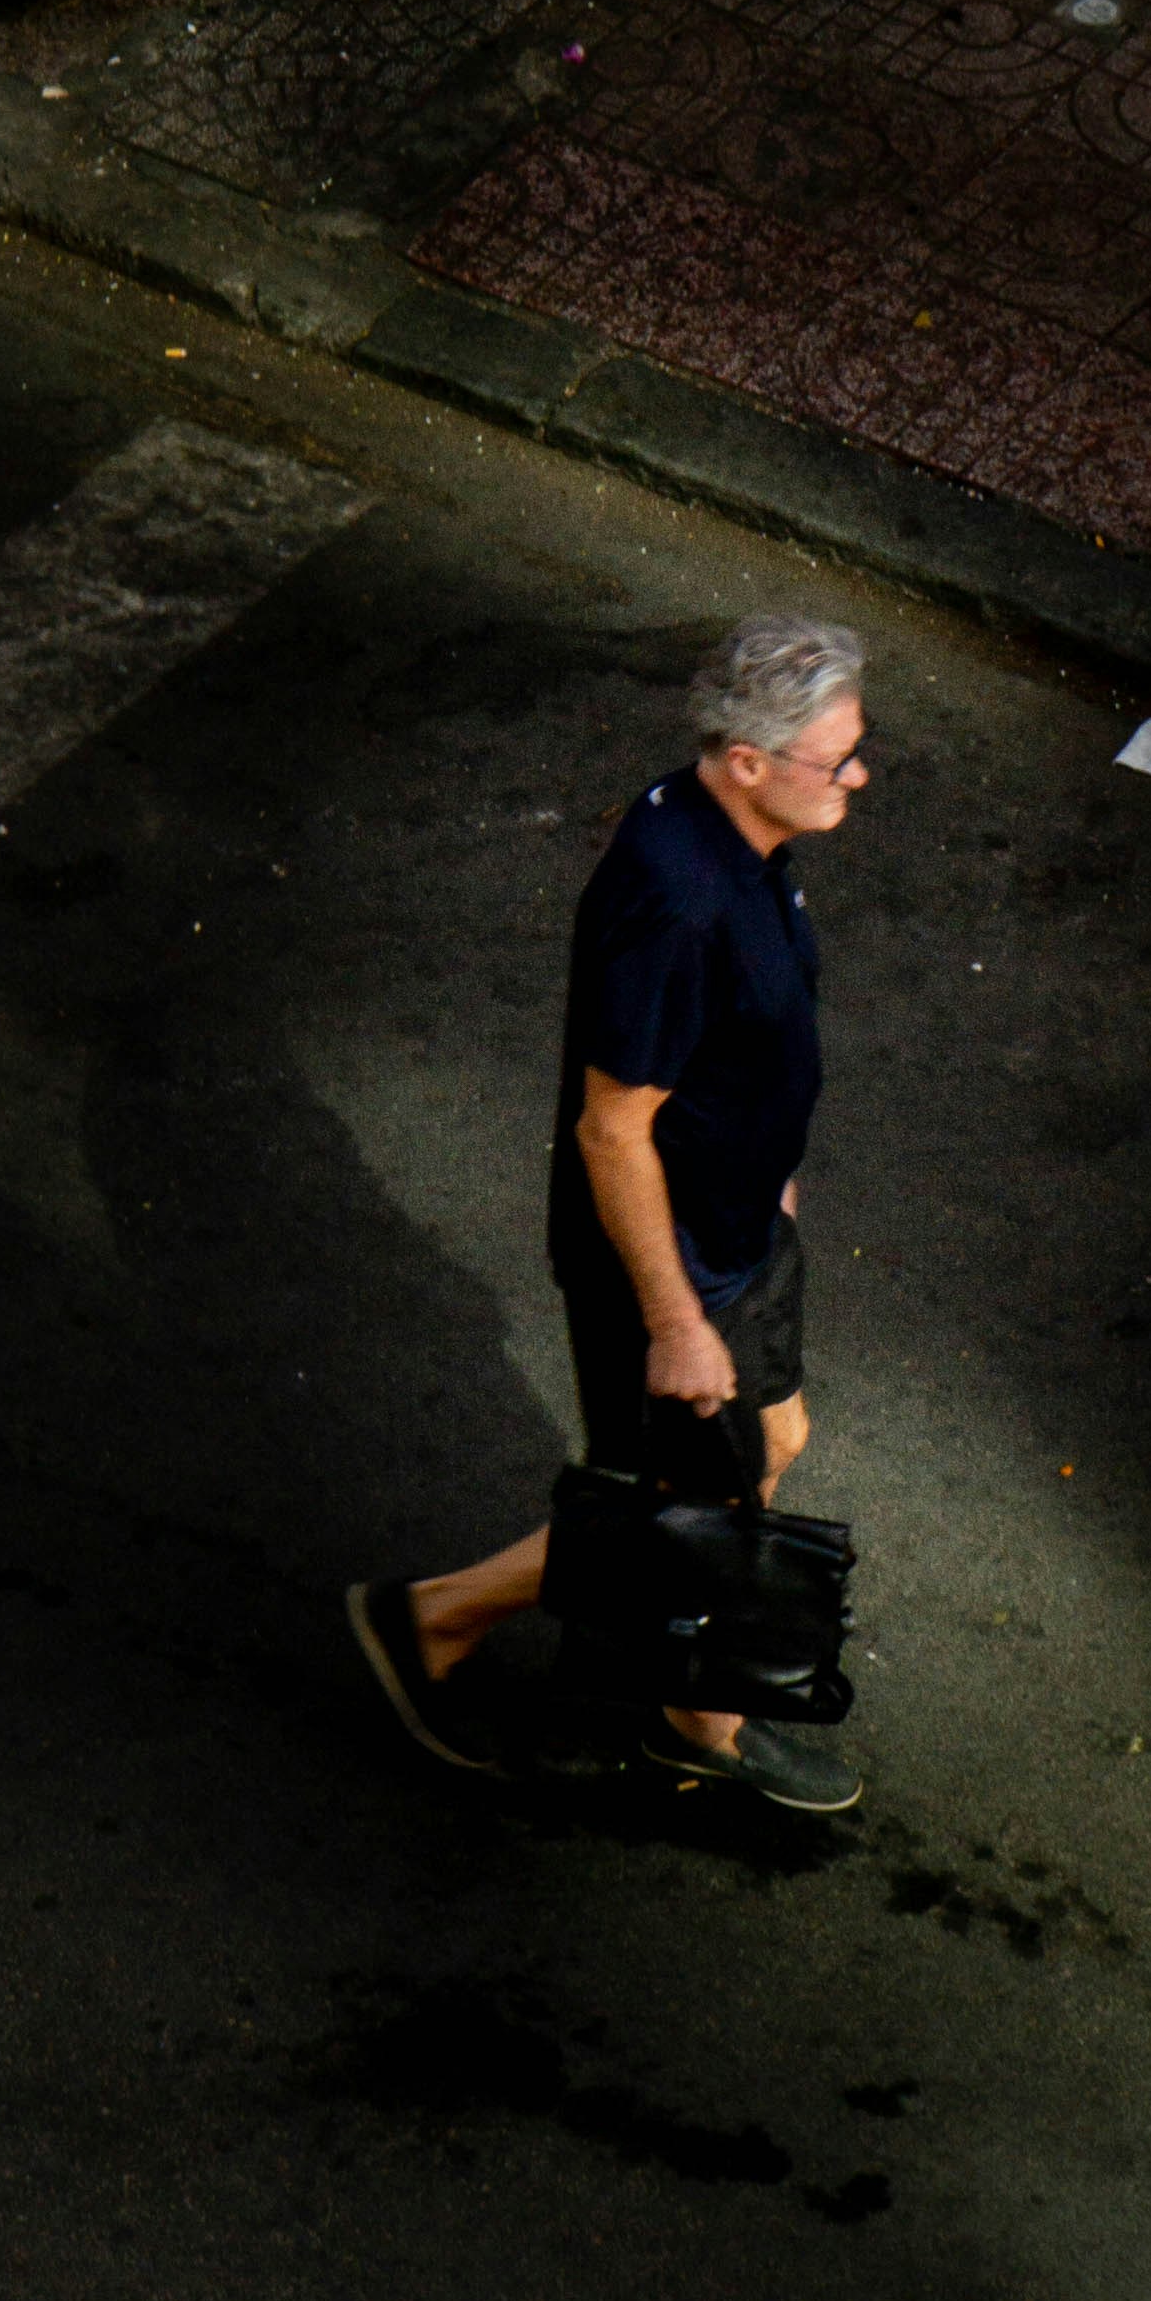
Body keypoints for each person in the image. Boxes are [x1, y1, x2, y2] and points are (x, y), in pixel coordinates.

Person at [350, 616, 869, 1811]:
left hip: (744, 1233)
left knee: (765, 1450)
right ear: (746, 758)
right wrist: (676, 1323)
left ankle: (696, 1714)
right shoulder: (676, 900)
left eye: (853, 748)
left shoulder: (747, 842)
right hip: (679, 1267)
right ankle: (433, 1625)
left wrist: (770, 1175)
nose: (855, 775)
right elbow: (610, 1130)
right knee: (673, 1514)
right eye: (832, 758)